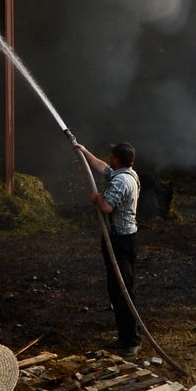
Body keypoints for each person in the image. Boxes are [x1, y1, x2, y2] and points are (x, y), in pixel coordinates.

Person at [78, 141, 143, 349]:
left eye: (112, 156)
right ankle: (128, 337)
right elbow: (102, 167)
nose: (110, 159)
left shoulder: (122, 181)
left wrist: (97, 198)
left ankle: (130, 341)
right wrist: (83, 150)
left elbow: (106, 207)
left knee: (122, 290)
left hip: (121, 242)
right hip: (123, 239)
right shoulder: (127, 174)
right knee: (119, 288)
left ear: (117, 158)